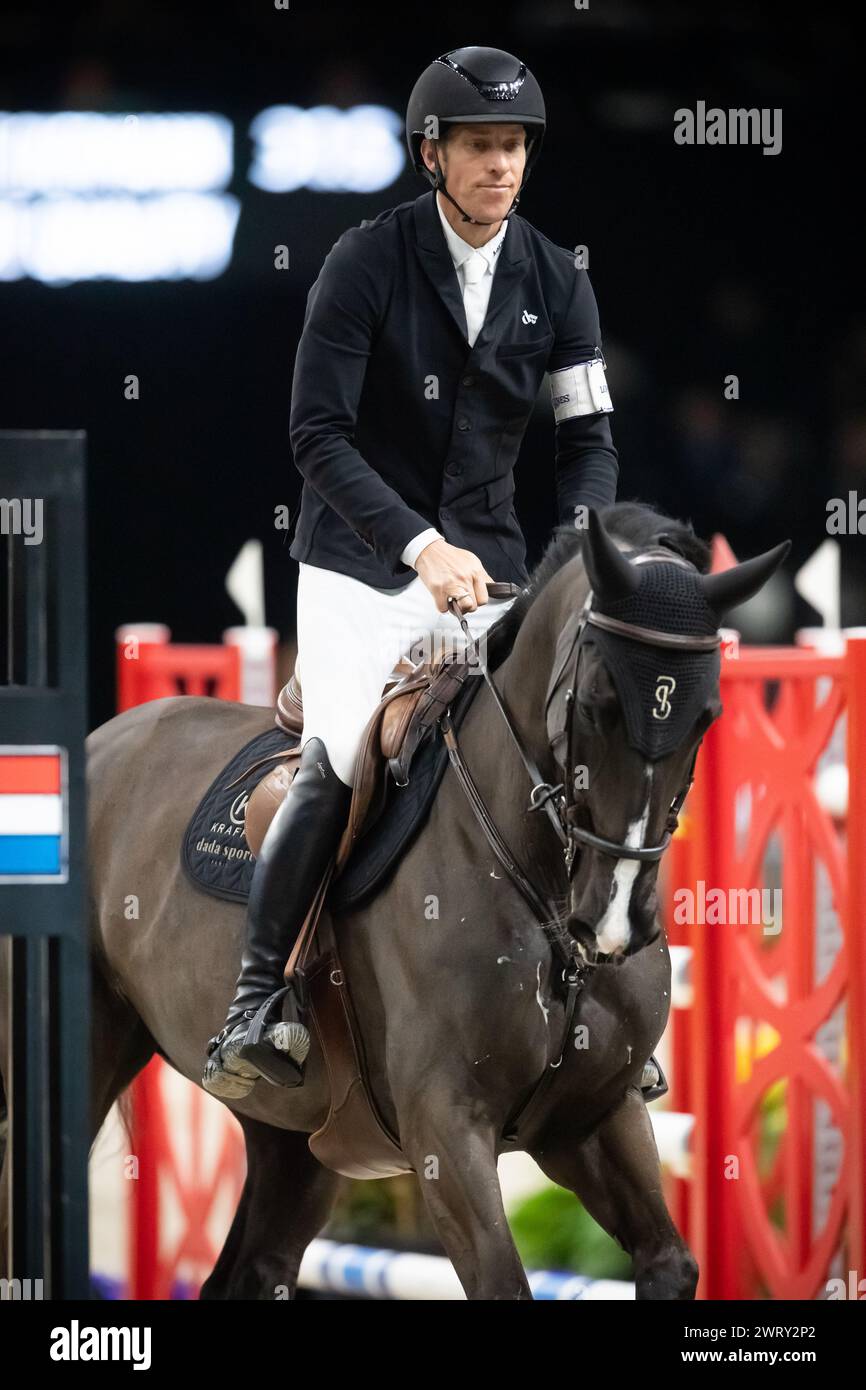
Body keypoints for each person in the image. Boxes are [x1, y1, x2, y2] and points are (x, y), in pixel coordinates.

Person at [202, 45, 619, 1098]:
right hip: (357, 563)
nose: (500, 166)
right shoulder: (364, 262)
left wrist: (583, 557)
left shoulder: (555, 278)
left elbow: (588, 440)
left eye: (514, 146)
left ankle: (591, 990)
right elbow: (317, 435)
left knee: (560, 743)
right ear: (431, 153)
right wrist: (417, 547)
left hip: (490, 567)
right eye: (480, 146)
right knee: (345, 754)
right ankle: (259, 996)